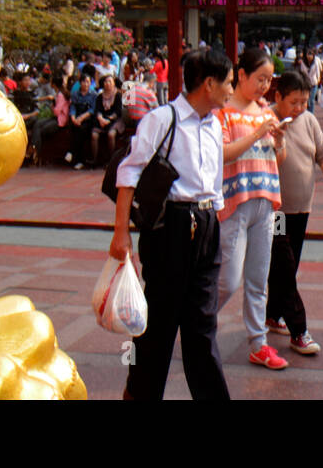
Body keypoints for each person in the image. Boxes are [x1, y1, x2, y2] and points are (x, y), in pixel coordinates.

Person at [111, 48, 234, 401]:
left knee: (202, 326)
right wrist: (121, 234)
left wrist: (216, 222)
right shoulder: (163, 119)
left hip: (206, 225)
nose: (230, 89)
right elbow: (128, 171)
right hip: (170, 229)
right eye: (227, 83)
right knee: (159, 326)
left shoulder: (214, 123)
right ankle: (140, 393)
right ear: (208, 84)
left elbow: (212, 181)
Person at [216, 48, 289, 371]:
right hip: (236, 202)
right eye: (260, 79)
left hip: (266, 200)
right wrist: (258, 133)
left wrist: (279, 142)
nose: (265, 86)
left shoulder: (265, 111)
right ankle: (196, 320)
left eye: (269, 80)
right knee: (228, 281)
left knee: (258, 278)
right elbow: (223, 155)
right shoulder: (223, 113)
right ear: (241, 75)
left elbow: (278, 159)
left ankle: (258, 343)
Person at [265, 71, 323, 355]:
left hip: (302, 207)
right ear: (278, 98)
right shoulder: (267, 120)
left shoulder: (309, 121)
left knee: (288, 264)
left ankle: (273, 314)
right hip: (276, 210)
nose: (299, 108)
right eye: (294, 102)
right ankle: (299, 331)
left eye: (304, 102)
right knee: (285, 268)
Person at [90, 73, 125, 167]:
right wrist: (101, 119)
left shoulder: (118, 95)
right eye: (106, 81)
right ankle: (94, 160)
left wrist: (109, 119)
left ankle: (111, 160)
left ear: (113, 83)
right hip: (101, 120)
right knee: (94, 135)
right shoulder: (100, 96)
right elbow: (97, 110)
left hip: (114, 120)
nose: (107, 83)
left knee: (111, 135)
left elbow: (118, 111)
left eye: (110, 81)